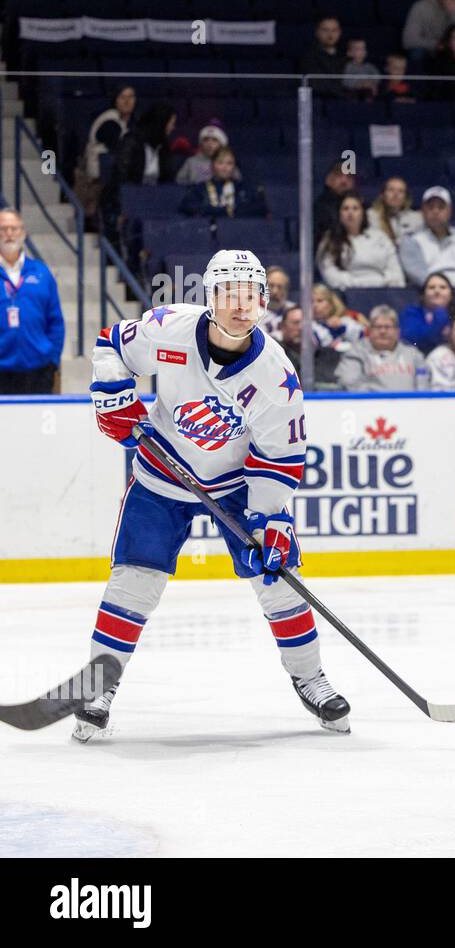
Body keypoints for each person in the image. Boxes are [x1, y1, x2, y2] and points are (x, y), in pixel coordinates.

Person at [79, 250, 349, 741]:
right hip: (162, 476)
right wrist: (114, 394)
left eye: (250, 296)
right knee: (134, 580)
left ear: (264, 302)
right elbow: (111, 344)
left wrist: (269, 520)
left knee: (278, 580)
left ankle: (310, 677)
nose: (239, 306)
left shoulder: (276, 377)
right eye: (229, 295)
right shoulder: (168, 329)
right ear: (210, 297)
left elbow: (278, 458)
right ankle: (99, 687)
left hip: (234, 489)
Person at [0, 209, 63, 394]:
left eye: (14, 228)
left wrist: (52, 358)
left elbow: (56, 321)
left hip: (39, 369)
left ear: (23, 233)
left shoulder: (41, 272)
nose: (9, 234)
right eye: (3, 229)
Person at [398, 186, 455, 287]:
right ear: (423, 211)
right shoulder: (411, 240)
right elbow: (417, 273)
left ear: (449, 211)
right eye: (430, 207)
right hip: (429, 295)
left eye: (441, 207)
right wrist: (442, 290)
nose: (435, 212)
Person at [315, 192, 404, 289]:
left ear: (362, 213)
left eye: (355, 208)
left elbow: (396, 274)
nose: (350, 213)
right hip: (347, 294)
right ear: (339, 214)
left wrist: (382, 282)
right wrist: (362, 283)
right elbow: (330, 275)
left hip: (384, 292)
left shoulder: (380, 237)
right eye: (345, 209)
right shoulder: (329, 240)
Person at [336, 305, 427, 391]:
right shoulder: (355, 353)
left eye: (387, 327)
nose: (382, 331)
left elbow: (423, 386)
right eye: (378, 327)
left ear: (398, 331)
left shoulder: (413, 355)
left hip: (411, 405)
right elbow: (349, 383)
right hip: (369, 405)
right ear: (369, 330)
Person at [179, 148, 269, 219]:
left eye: (229, 163)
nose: (224, 167)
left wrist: (223, 211)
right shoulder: (200, 188)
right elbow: (187, 205)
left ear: (234, 167)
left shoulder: (244, 187)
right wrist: (226, 211)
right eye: (220, 162)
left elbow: (260, 207)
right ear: (212, 165)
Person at [276, 304, 342, 388]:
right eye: (295, 323)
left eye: (306, 323)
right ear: (282, 327)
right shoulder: (276, 356)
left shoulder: (327, 355)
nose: (301, 327)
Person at [400, 272, 455, 355]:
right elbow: (414, 340)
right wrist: (439, 312)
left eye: (443, 287)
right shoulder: (411, 313)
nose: (437, 291)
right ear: (423, 294)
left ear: (451, 294)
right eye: (431, 287)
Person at [175, 120, 238, 186]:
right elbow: (179, 182)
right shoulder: (191, 162)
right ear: (200, 144)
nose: (209, 144)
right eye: (206, 139)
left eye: (214, 140)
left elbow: (237, 183)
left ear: (222, 144)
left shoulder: (228, 163)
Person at [301, 16, 348, 98]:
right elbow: (316, 83)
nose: (330, 34)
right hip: (319, 100)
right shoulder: (308, 56)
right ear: (317, 32)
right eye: (325, 30)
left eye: (334, 30)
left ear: (340, 32)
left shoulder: (346, 55)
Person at [367, 176, 422, 243]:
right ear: (382, 195)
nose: (396, 194)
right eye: (391, 190)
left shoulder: (416, 218)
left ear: (406, 197)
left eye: (400, 191)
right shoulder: (370, 216)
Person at [313, 162, 357, 244]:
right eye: (339, 175)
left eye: (349, 176)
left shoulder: (360, 205)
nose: (344, 181)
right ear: (328, 179)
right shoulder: (320, 208)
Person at [260, 265, 297, 337]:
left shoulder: (294, 310)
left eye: (280, 287)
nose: (275, 291)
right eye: (271, 286)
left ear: (286, 291)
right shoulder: (250, 311)